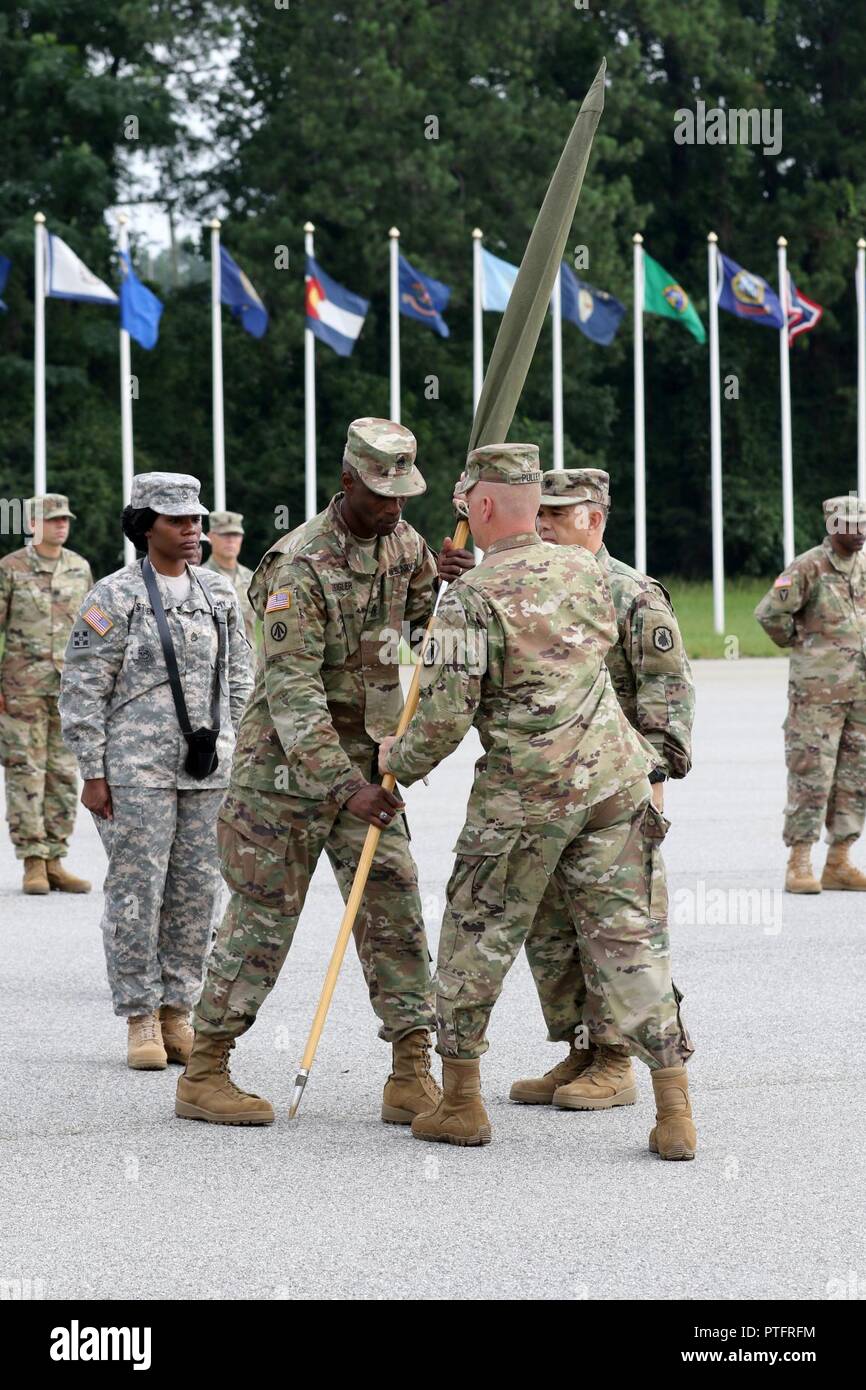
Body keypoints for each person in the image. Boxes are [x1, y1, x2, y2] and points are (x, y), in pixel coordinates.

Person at [380, 443, 696, 1160]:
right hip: (612, 788)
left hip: (525, 796)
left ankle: (460, 1102)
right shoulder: (591, 574)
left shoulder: (474, 598)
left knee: (474, 940)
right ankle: (674, 1111)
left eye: (465, 505)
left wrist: (393, 761)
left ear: (483, 507)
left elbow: (443, 717)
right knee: (631, 945)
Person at [176, 418, 474, 1127]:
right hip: (284, 774)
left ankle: (410, 1069)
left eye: (404, 494)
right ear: (347, 483)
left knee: (394, 908)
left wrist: (459, 591)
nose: (395, 509)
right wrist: (347, 788)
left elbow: (437, 639)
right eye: (380, 495)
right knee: (261, 918)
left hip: (369, 767)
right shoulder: (297, 565)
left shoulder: (406, 547)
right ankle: (205, 1070)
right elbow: (293, 695)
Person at [510, 467, 695, 1111]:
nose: (542, 526)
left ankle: (618, 1060)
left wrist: (656, 776)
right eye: (538, 513)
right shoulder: (539, 587)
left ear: (593, 517)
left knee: (614, 925)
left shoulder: (632, 593)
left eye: (556, 515)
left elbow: (667, 693)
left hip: (616, 791)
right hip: (549, 789)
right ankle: (582, 1047)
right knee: (551, 924)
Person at [59, 472, 254, 1070]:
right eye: (179, 521)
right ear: (147, 528)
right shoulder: (113, 597)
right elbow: (83, 688)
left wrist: (240, 747)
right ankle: (140, 1016)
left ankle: (179, 1011)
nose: (194, 530)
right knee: (137, 892)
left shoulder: (220, 594)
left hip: (207, 768)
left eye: (197, 519)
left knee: (197, 893)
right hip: (133, 769)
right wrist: (93, 770)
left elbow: (241, 675)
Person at [755, 494, 866, 893]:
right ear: (833, 527)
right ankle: (799, 862)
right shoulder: (808, 567)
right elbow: (769, 612)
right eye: (851, 526)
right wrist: (801, 645)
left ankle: (839, 861)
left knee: (855, 776)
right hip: (816, 694)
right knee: (810, 774)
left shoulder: (863, 567)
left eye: (863, 525)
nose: (859, 533)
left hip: (860, 692)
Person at [0, 494, 93, 894]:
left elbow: (92, 630)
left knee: (63, 774)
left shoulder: (79, 567)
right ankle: (32, 861)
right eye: (53, 519)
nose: (61, 525)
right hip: (21, 690)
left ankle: (56, 858)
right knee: (25, 772)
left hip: (68, 691)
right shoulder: (11, 568)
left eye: (65, 519)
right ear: (33, 524)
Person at [203, 510, 257, 648]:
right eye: (224, 534)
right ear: (210, 537)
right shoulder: (199, 578)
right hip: (212, 663)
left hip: (248, 664)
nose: (231, 540)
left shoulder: (253, 579)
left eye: (236, 534)